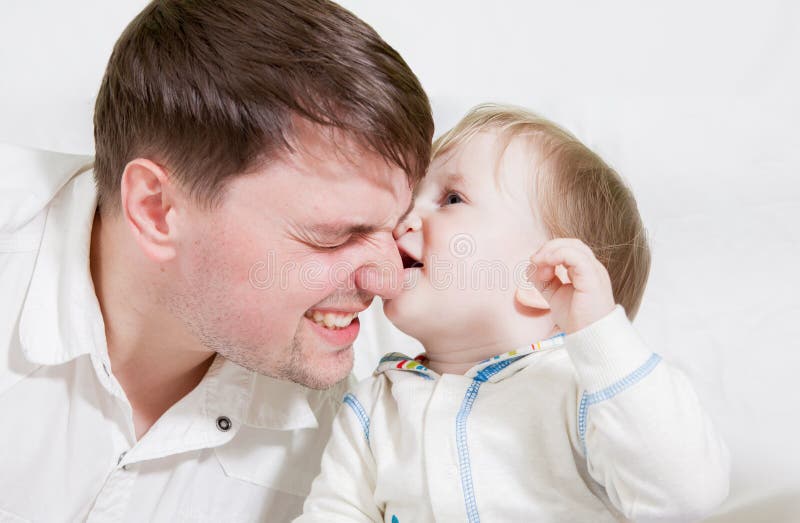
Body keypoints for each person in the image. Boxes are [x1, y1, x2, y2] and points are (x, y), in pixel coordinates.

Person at [0, 0, 433, 521]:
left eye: (397, 226)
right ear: (157, 210)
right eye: (333, 236)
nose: (390, 279)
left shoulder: (392, 406)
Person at [299, 105, 730, 522]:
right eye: (412, 198)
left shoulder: (580, 393)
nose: (403, 218)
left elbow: (687, 495)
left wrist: (601, 335)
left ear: (546, 276)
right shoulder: (375, 405)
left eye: (451, 198)